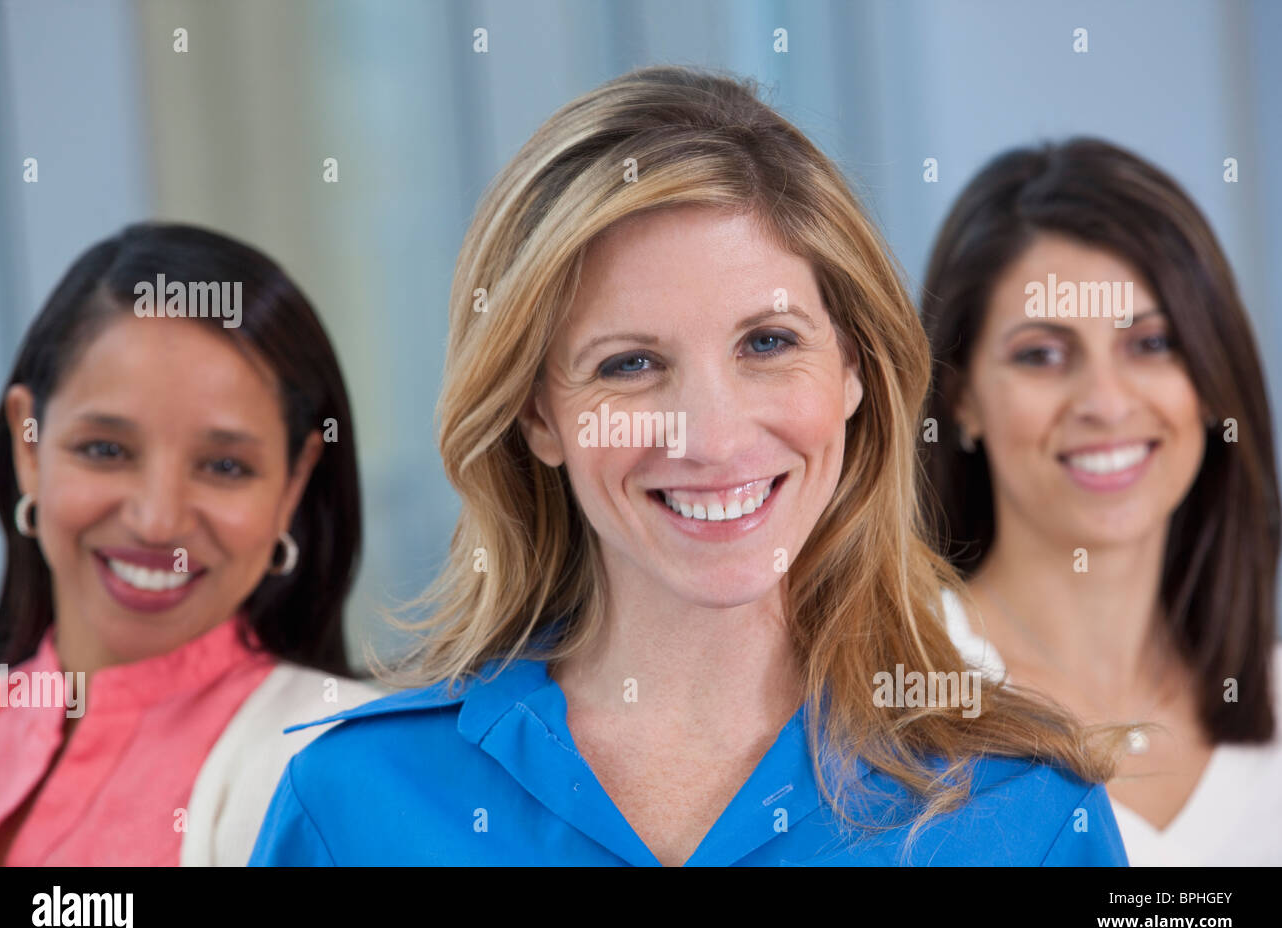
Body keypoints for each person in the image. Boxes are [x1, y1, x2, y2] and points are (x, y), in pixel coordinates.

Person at [250, 67, 1127, 866]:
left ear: (855, 369)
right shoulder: (354, 806)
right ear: (535, 413)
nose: (711, 436)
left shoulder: (1031, 816)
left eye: (769, 343)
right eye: (629, 363)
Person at [919, 138, 1282, 865]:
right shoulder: (893, 691)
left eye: (1150, 344)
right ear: (962, 398)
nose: (1105, 403)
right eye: (1042, 355)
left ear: (1211, 380)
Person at [0, 223, 380, 866]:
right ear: (28, 445)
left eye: (225, 467)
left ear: (293, 483)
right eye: (105, 450)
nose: (157, 523)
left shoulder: (336, 766)